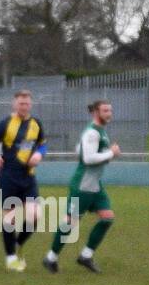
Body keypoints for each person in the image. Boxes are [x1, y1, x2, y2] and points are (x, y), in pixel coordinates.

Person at [44, 99, 120, 274]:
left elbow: (80, 150)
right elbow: (88, 158)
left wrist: (107, 153)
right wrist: (111, 153)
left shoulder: (100, 131)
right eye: (105, 111)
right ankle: (50, 258)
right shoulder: (92, 133)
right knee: (70, 223)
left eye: (110, 110)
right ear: (95, 112)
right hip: (83, 186)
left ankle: (85, 256)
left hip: (95, 185)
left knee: (107, 218)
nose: (109, 113)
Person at [0, 88, 47, 272]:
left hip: (28, 178)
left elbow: (43, 145)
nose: (24, 106)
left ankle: (18, 243)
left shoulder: (36, 124)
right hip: (8, 177)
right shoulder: (5, 124)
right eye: (21, 103)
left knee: (35, 216)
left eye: (27, 103)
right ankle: (11, 258)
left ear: (31, 104)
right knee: (9, 220)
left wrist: (39, 155)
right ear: (15, 104)